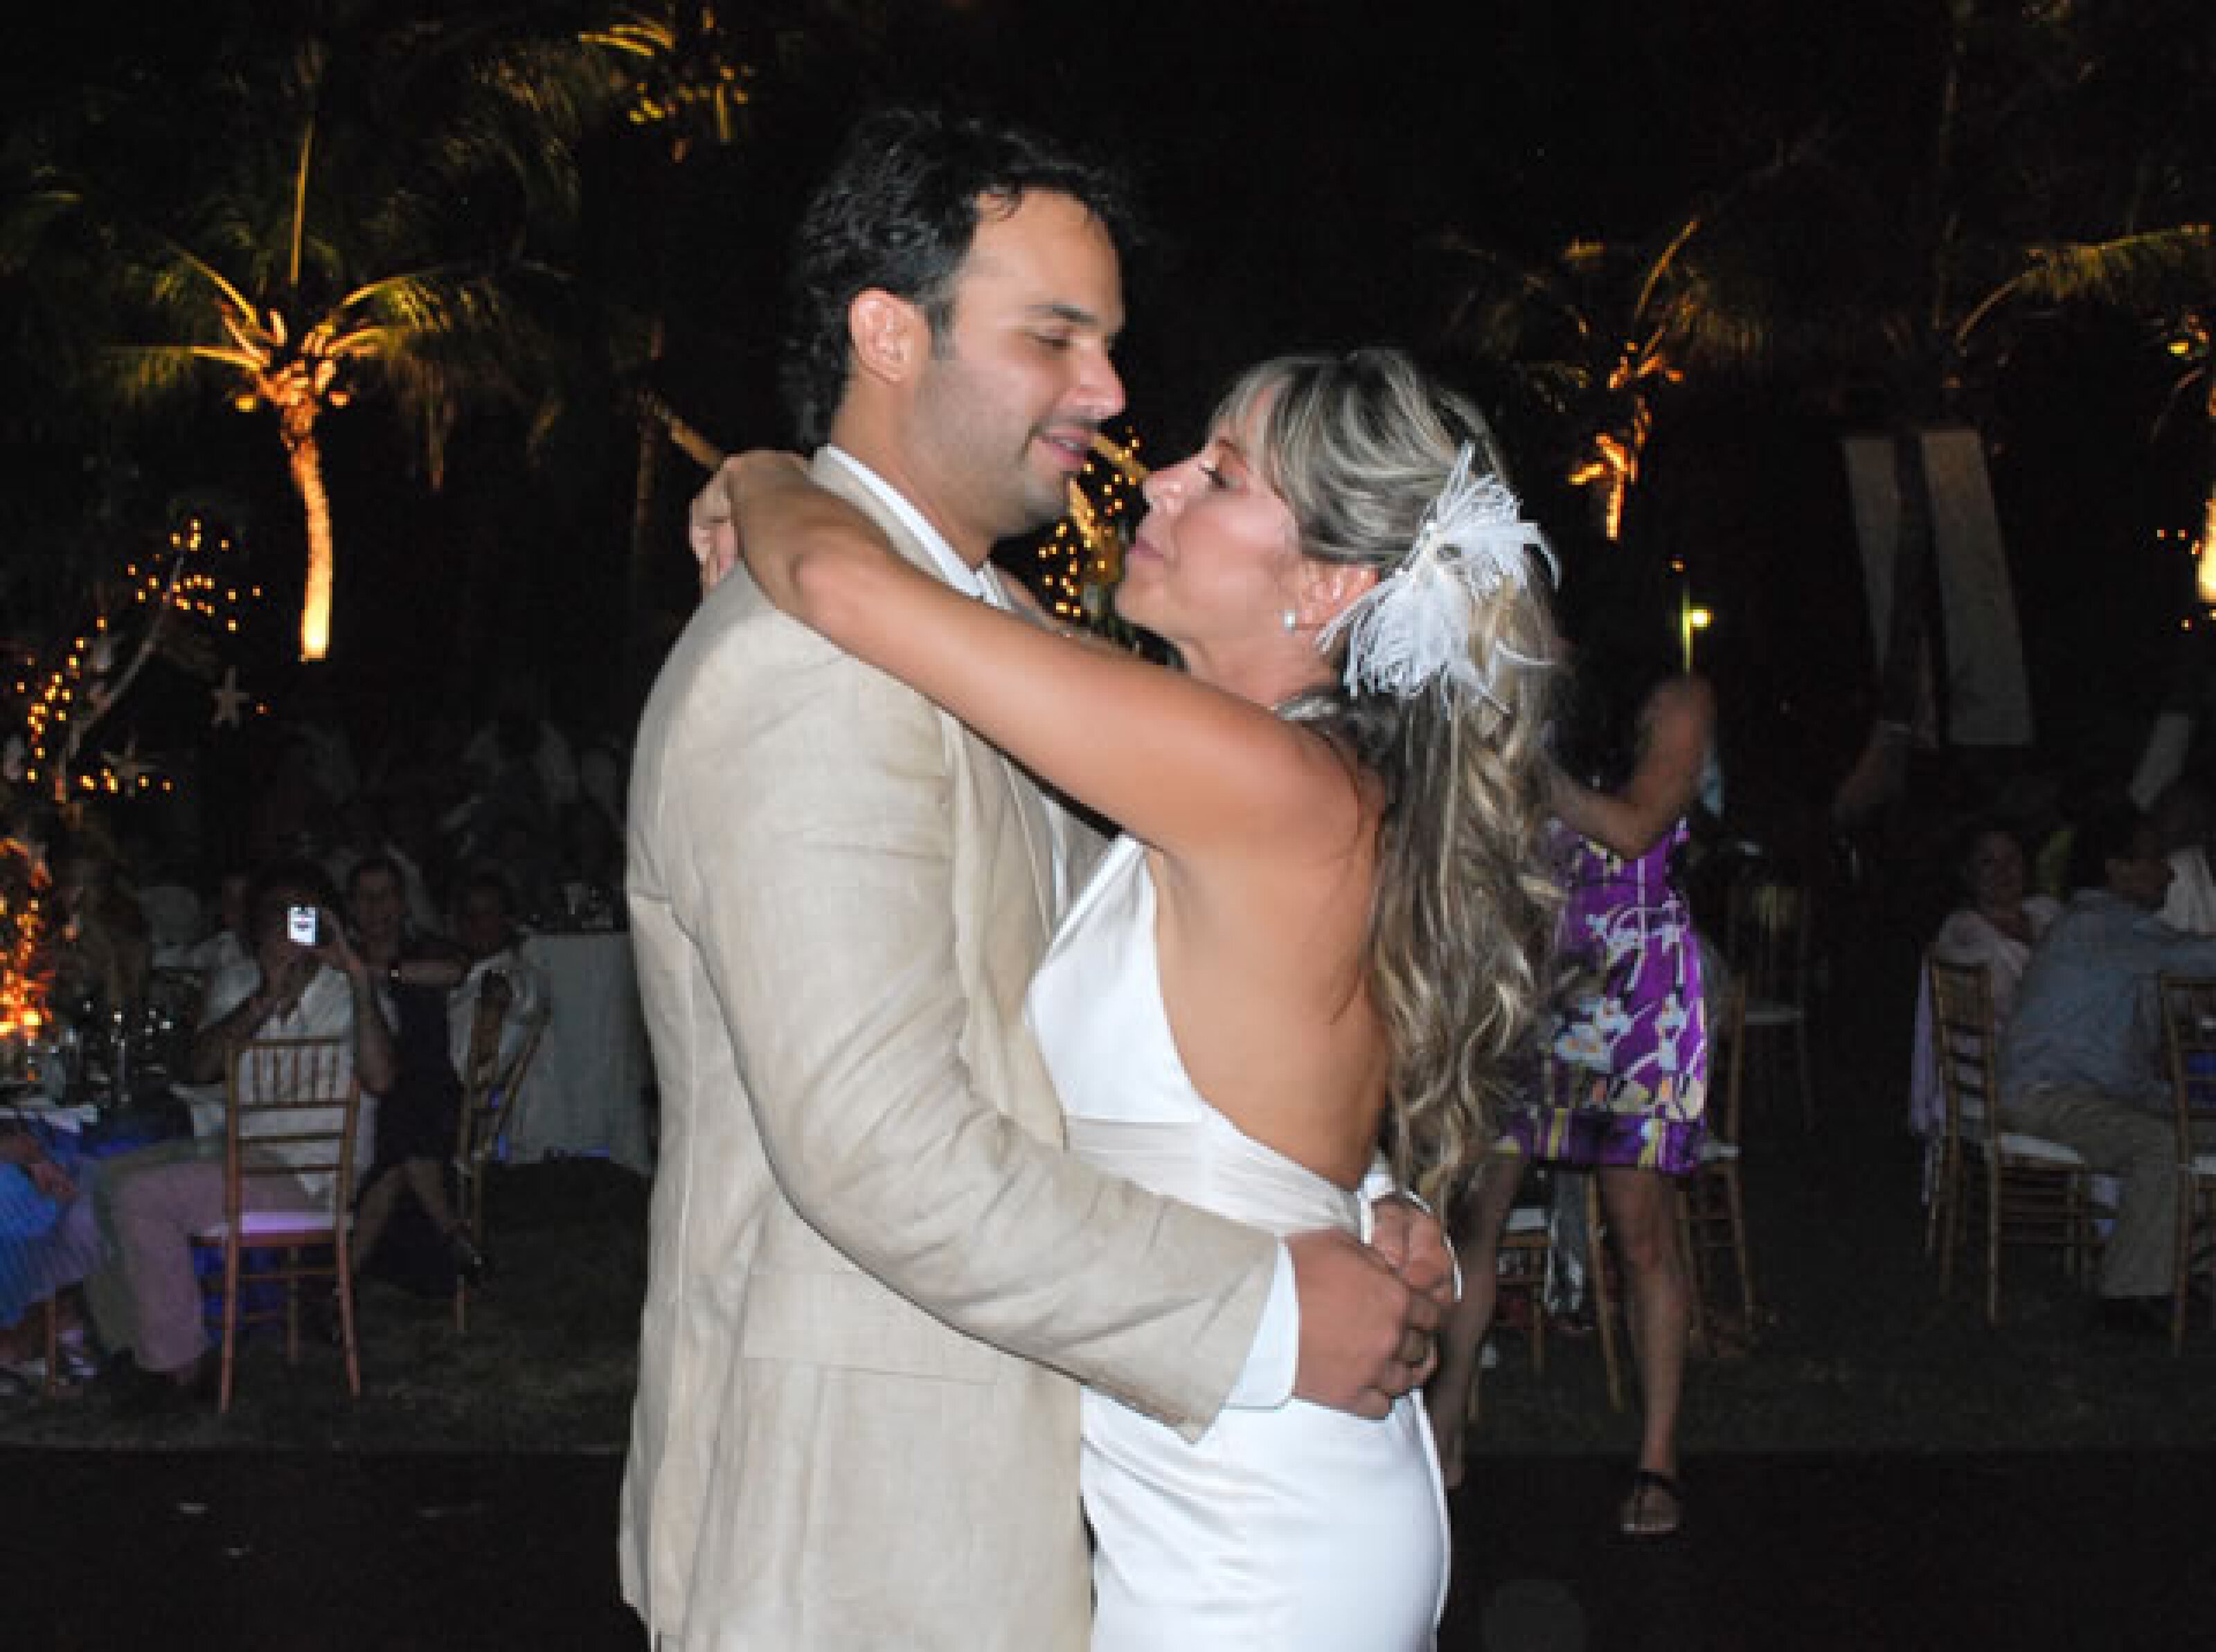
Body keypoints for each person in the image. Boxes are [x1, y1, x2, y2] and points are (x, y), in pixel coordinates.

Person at [623, 109, 1454, 1652]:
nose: (1113, 394)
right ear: (888, 332)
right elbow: (881, 1151)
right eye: (1056, 336)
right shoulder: (806, 668)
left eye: (1111, 341)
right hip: (858, 1532)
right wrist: (1275, 1302)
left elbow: (1142, 1036)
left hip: (1062, 1505)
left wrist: (1350, 1203)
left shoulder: (992, 649)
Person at [719, 342, 1560, 1646]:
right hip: (1254, 1481)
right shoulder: (1282, 781)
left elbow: (840, 581)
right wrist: (1384, 1210)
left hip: (1253, 1536)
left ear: (1329, 582)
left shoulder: (1260, 782)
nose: (1159, 480)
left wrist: (766, 473)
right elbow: (978, 607)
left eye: (1221, 476)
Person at [1427, 670, 1715, 1537]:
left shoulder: (1676, 701)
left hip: (1632, 991)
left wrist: (1525, 762)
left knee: (1639, 1234)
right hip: (1535, 975)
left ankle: (1657, 1459)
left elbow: (1631, 829)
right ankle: (1441, 1434)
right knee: (1475, 1217)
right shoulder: (1530, 692)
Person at [88, 860, 395, 1402]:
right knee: (100, 1177)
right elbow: (198, 1069)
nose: (286, 928)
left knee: (141, 1195)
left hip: (310, 1176)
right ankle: (129, 1346)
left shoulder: (351, 991)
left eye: (300, 914)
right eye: (273, 916)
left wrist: (357, 973)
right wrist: (265, 1000)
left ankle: (179, 1368)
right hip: (241, 1155)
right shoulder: (238, 981)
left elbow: (381, 1077)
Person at [1999, 798, 2216, 1335]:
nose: (2166, 871)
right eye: (2151, 859)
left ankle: (2192, 1275)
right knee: (2161, 1145)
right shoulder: (2103, 926)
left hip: (2095, 1092)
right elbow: (2202, 958)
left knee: (2196, 1128)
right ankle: (2130, 1299)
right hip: (2048, 1094)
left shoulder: (2115, 931)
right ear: (2115, 869)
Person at [341, 856, 480, 1290]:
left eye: (385, 896)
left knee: (401, 1116)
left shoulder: (424, 951)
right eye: (365, 897)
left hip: (429, 1092)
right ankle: (453, 1232)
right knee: (396, 1121)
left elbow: (457, 971)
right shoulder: (342, 956)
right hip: (364, 1093)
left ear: (402, 904)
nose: (375, 907)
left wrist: (380, 974)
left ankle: (341, 1281)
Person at [1908, 823, 2062, 1140]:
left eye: (2012, 860)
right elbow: (2007, 1009)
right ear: (1968, 873)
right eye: (1988, 863)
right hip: (2000, 1082)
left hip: (2055, 1067)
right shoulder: (1963, 935)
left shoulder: (2049, 914)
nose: (2003, 872)